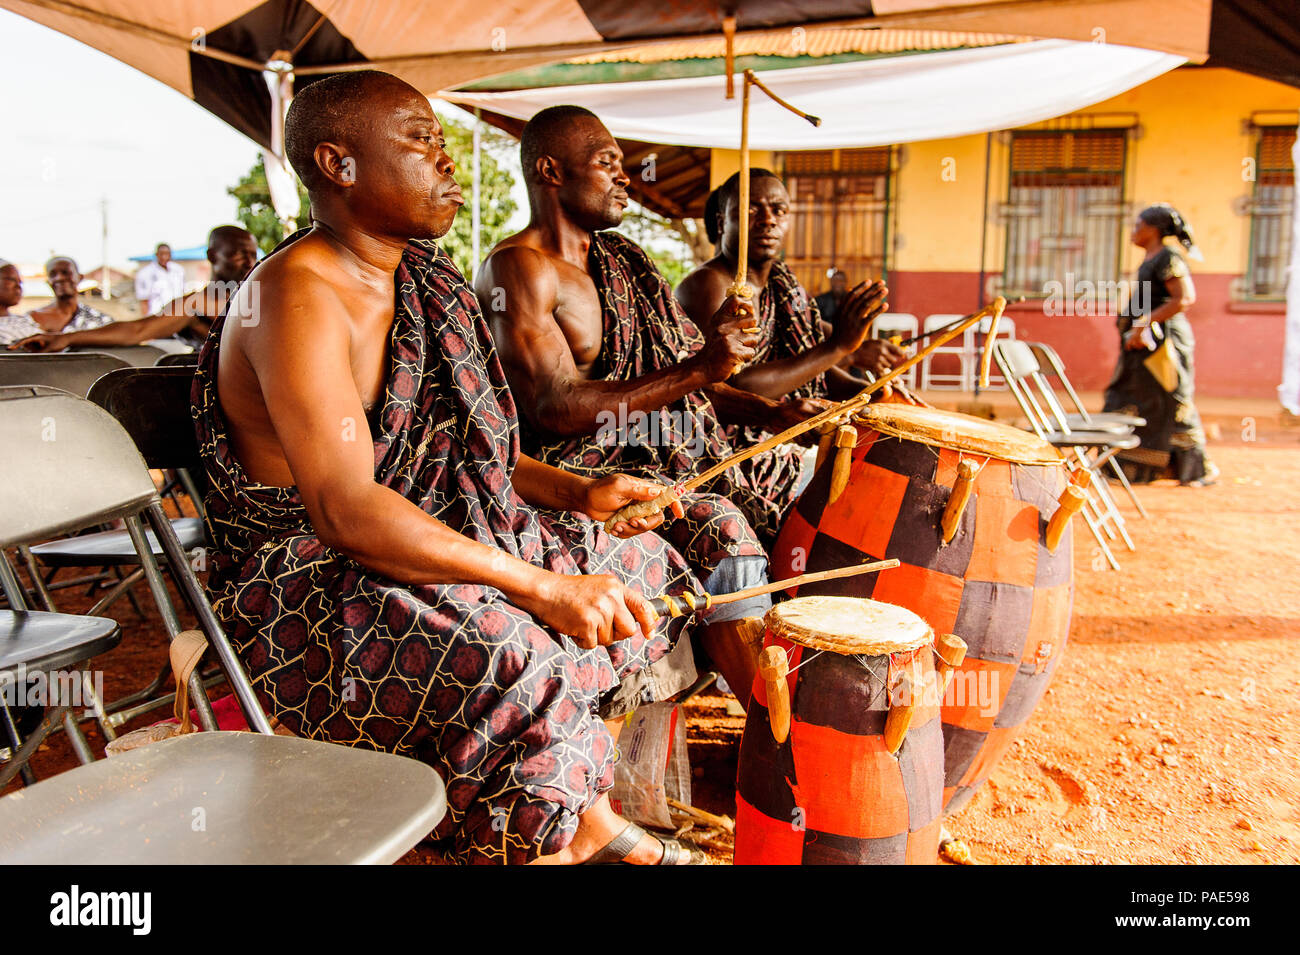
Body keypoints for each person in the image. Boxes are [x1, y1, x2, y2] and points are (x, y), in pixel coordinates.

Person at [194, 70, 708, 865]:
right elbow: (343, 508)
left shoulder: (421, 281)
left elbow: (474, 448)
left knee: (636, 565)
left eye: (441, 140)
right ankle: (554, 832)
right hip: (302, 580)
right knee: (514, 642)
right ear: (339, 164)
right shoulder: (299, 294)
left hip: (415, 540)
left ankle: (579, 808)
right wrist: (539, 583)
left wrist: (579, 490)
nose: (447, 160)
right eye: (420, 139)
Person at [477, 105, 803, 711]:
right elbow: (553, 407)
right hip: (567, 477)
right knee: (721, 525)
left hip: (656, 459)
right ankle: (770, 725)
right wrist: (699, 368)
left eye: (625, 166)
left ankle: (786, 690)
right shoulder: (517, 268)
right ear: (550, 171)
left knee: (784, 481)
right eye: (607, 164)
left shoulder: (625, 263)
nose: (625, 178)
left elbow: (685, 374)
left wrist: (770, 415)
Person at [677, 169, 901, 407]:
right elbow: (731, 389)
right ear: (722, 222)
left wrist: (872, 392)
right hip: (725, 436)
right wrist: (842, 349)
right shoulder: (708, 284)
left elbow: (809, 354)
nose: (768, 219)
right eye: (751, 209)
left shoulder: (782, 282)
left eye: (779, 210)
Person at [1103, 203, 1217, 486]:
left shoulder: (1169, 258)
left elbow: (1184, 299)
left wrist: (1143, 324)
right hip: (1143, 348)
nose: (1133, 231)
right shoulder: (1151, 259)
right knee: (1135, 399)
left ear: (1153, 230)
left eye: (1138, 226)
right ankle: (1134, 468)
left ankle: (1195, 469)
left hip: (1164, 348)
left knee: (1171, 401)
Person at [9, 226, 258, 353]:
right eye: (238, 254)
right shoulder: (196, 303)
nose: (249, 261)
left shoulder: (254, 299)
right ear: (213, 256)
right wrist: (64, 338)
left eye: (252, 254)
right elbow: (137, 329)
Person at [0, 257, 113, 346]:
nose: (59, 278)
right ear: (48, 281)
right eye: (53, 274)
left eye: (65, 272)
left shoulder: (100, 319)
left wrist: (67, 339)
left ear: (79, 277)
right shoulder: (33, 319)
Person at [134, 243, 186, 316]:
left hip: (177, 315)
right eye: (161, 254)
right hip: (156, 317)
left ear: (170, 255)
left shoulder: (179, 270)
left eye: (166, 254)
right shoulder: (145, 273)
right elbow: (143, 301)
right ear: (156, 255)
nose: (164, 257)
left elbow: (182, 293)